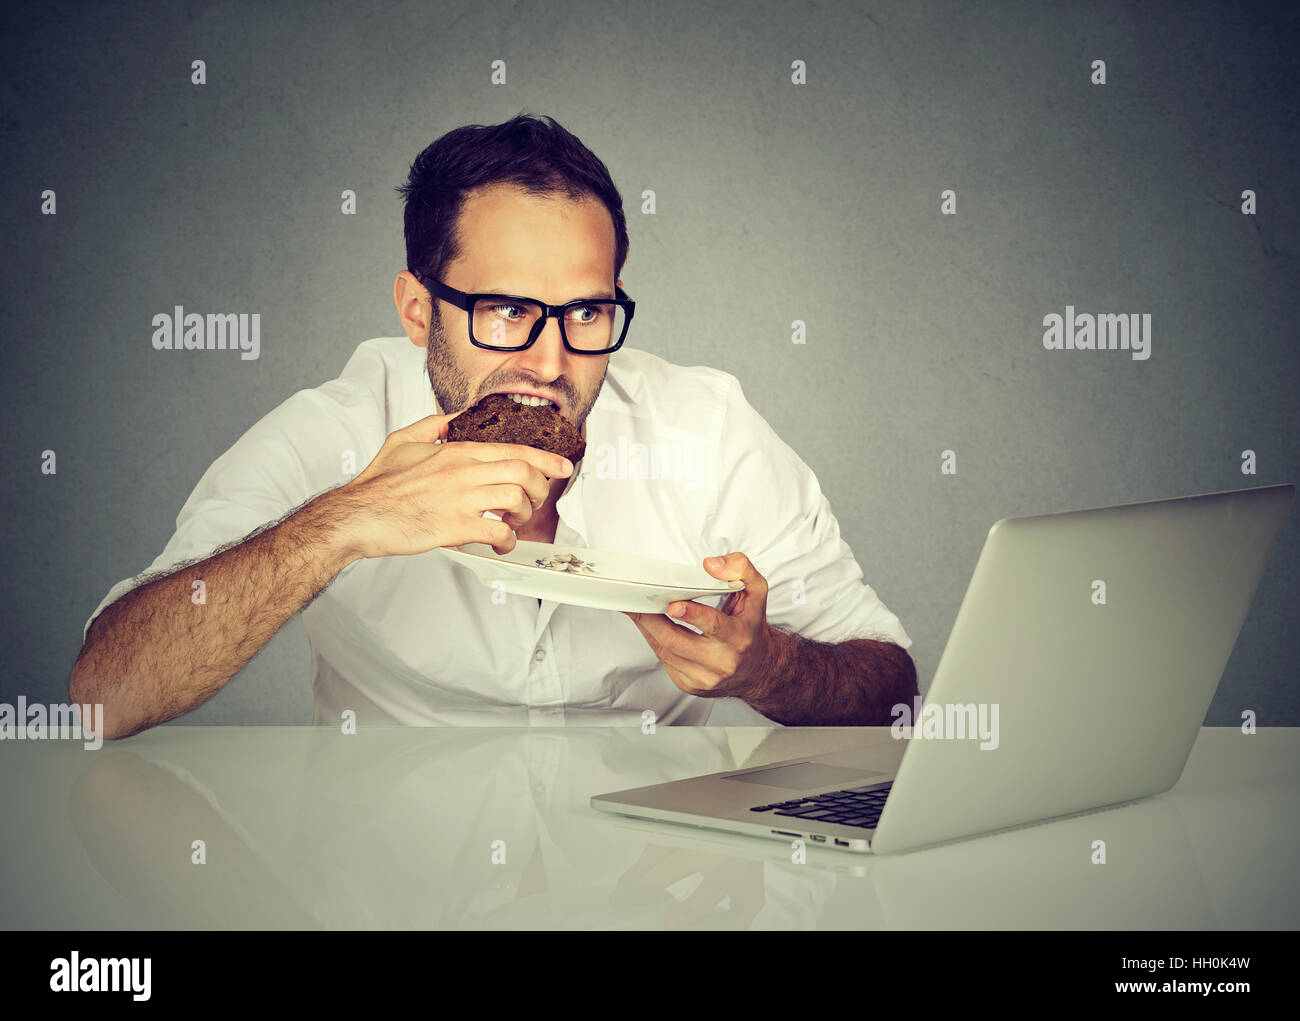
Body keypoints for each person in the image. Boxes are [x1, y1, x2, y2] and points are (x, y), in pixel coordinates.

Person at [70, 113, 917, 738]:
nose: (550, 362)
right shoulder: (329, 433)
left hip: (650, 885)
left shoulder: (705, 428)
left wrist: (769, 667)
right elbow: (104, 696)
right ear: (416, 309)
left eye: (586, 311)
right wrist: (342, 523)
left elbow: (893, 686)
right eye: (507, 309)